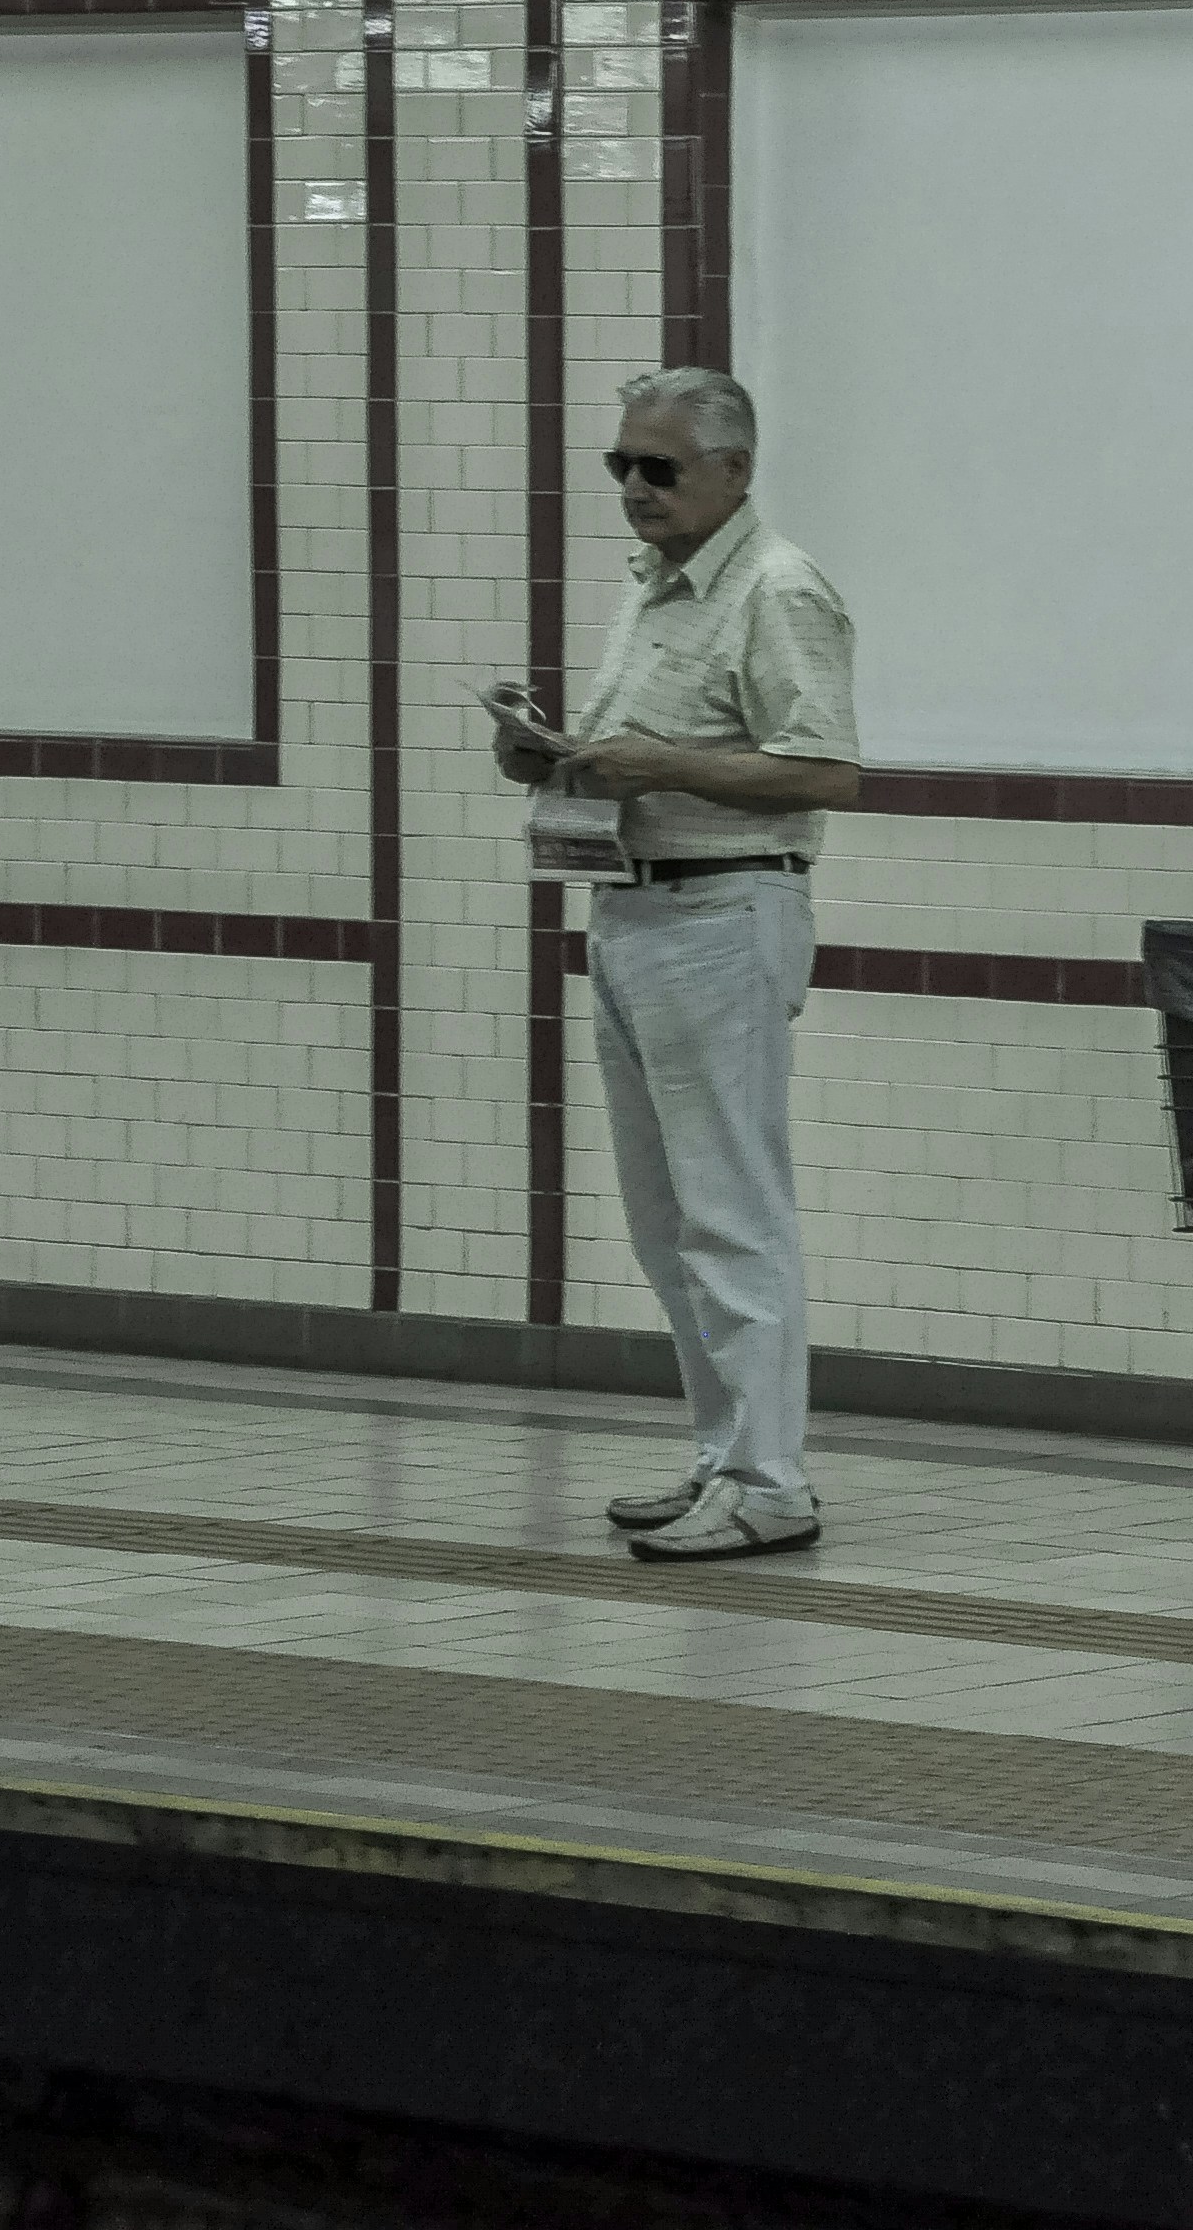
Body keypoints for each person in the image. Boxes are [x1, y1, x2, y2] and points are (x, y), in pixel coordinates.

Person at [497, 366, 861, 1563]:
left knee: (731, 1214)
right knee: (665, 1221)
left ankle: (771, 1483)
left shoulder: (777, 589)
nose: (634, 489)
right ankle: (720, 1455)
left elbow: (824, 772)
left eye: (660, 467)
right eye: (620, 465)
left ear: (734, 470)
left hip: (723, 915)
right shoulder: (655, 588)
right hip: (633, 911)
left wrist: (663, 764)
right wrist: (553, 758)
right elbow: (644, 752)